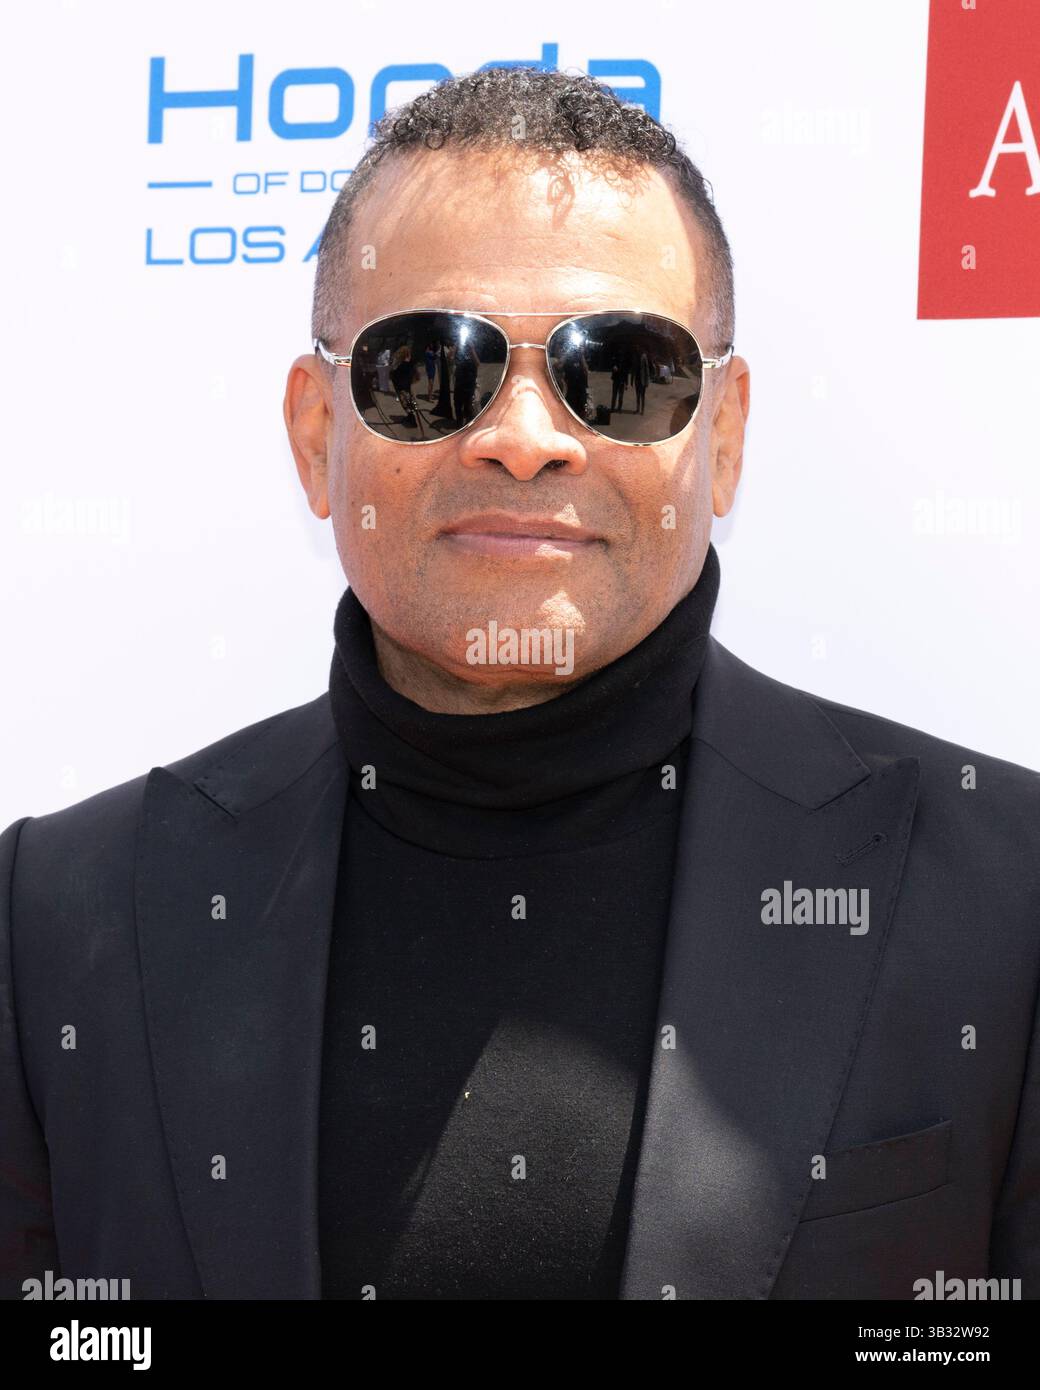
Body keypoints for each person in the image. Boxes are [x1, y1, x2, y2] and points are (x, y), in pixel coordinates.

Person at [2, 66, 1039, 1304]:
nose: (525, 434)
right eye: (428, 366)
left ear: (724, 436)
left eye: (620, 368)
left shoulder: (1003, 896)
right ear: (314, 434)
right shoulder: (61, 920)